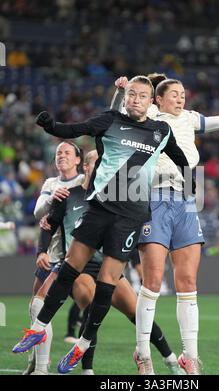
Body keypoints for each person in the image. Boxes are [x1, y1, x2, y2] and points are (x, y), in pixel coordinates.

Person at [12, 75, 192, 375]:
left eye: (141, 96)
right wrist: (49, 125)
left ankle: (82, 344)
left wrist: (190, 184)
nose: (135, 99)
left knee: (108, 283)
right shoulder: (109, 120)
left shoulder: (161, 131)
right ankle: (39, 327)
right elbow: (72, 129)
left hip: (131, 216)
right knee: (69, 268)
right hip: (100, 209)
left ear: (151, 102)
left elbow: (180, 158)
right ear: (125, 98)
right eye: (131, 94)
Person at [111, 75, 219, 374]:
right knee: (151, 281)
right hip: (152, 199)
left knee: (188, 283)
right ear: (159, 99)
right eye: (175, 94)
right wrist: (119, 92)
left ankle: (189, 357)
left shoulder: (191, 119)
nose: (181, 99)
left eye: (183, 94)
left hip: (186, 203)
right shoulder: (149, 116)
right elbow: (115, 118)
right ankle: (143, 353)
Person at [35, 149, 184, 375]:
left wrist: (135, 264)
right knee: (92, 304)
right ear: (86, 167)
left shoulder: (113, 199)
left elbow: (124, 236)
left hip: (109, 269)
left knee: (138, 313)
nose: (107, 168)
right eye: (101, 163)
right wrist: (42, 251)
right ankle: (87, 370)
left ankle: (171, 360)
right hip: (79, 270)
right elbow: (48, 224)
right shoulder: (69, 194)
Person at [23, 141, 84, 375]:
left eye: (67, 152)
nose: (62, 155)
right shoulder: (50, 183)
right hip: (52, 253)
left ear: (78, 160)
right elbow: (39, 212)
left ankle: (41, 367)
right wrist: (42, 250)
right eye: (59, 152)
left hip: (72, 256)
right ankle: (35, 358)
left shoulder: (83, 183)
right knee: (34, 308)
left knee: (42, 305)